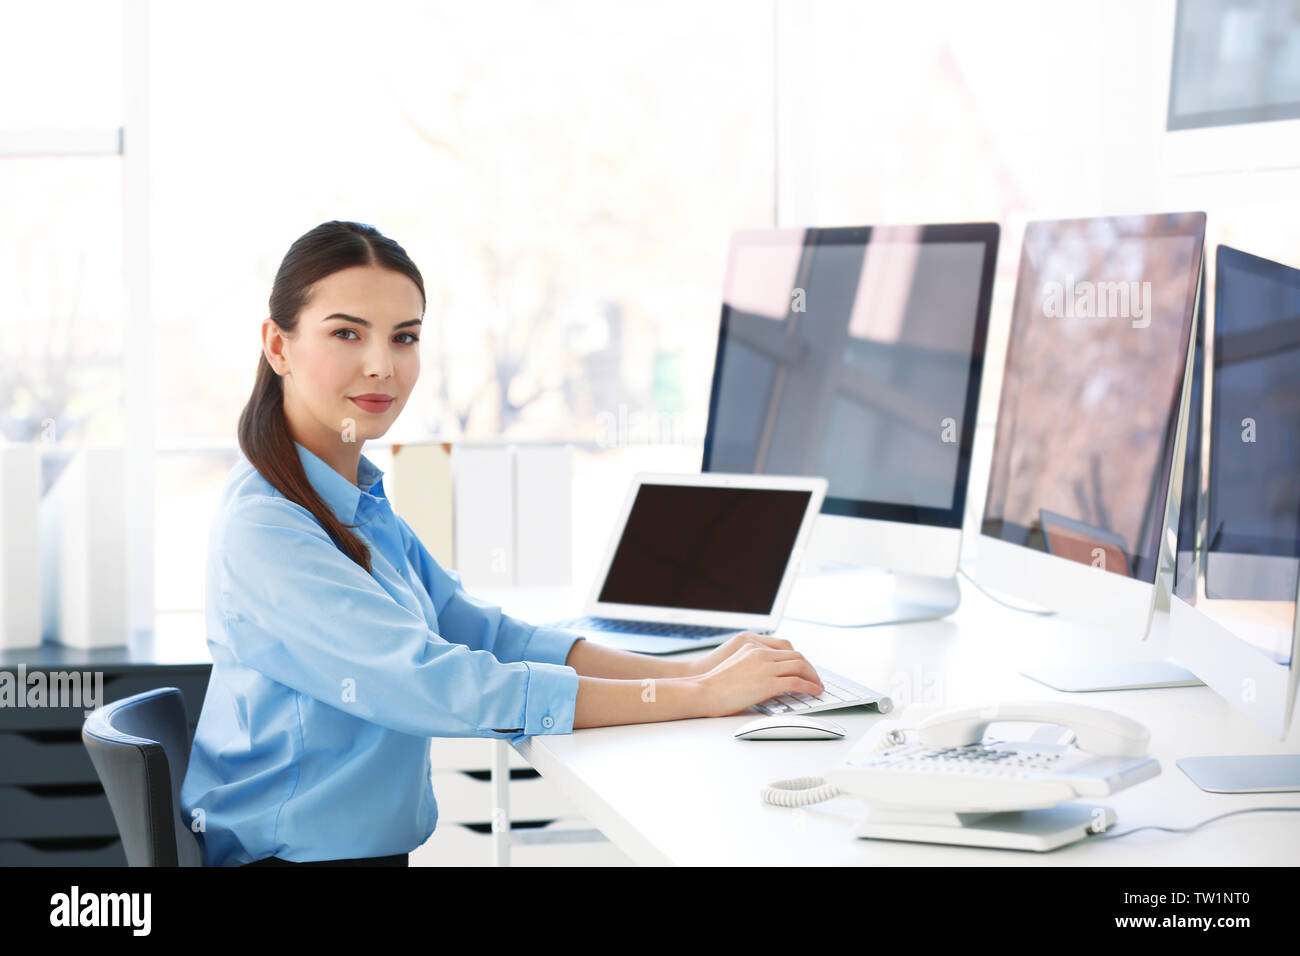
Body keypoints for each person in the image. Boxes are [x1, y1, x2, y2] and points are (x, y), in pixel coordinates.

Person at [179, 221, 824, 866]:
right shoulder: (269, 526)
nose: (382, 364)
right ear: (278, 345)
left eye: (404, 337)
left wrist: (691, 672)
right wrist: (696, 699)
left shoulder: (352, 502)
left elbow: (486, 635)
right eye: (346, 333)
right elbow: (437, 682)